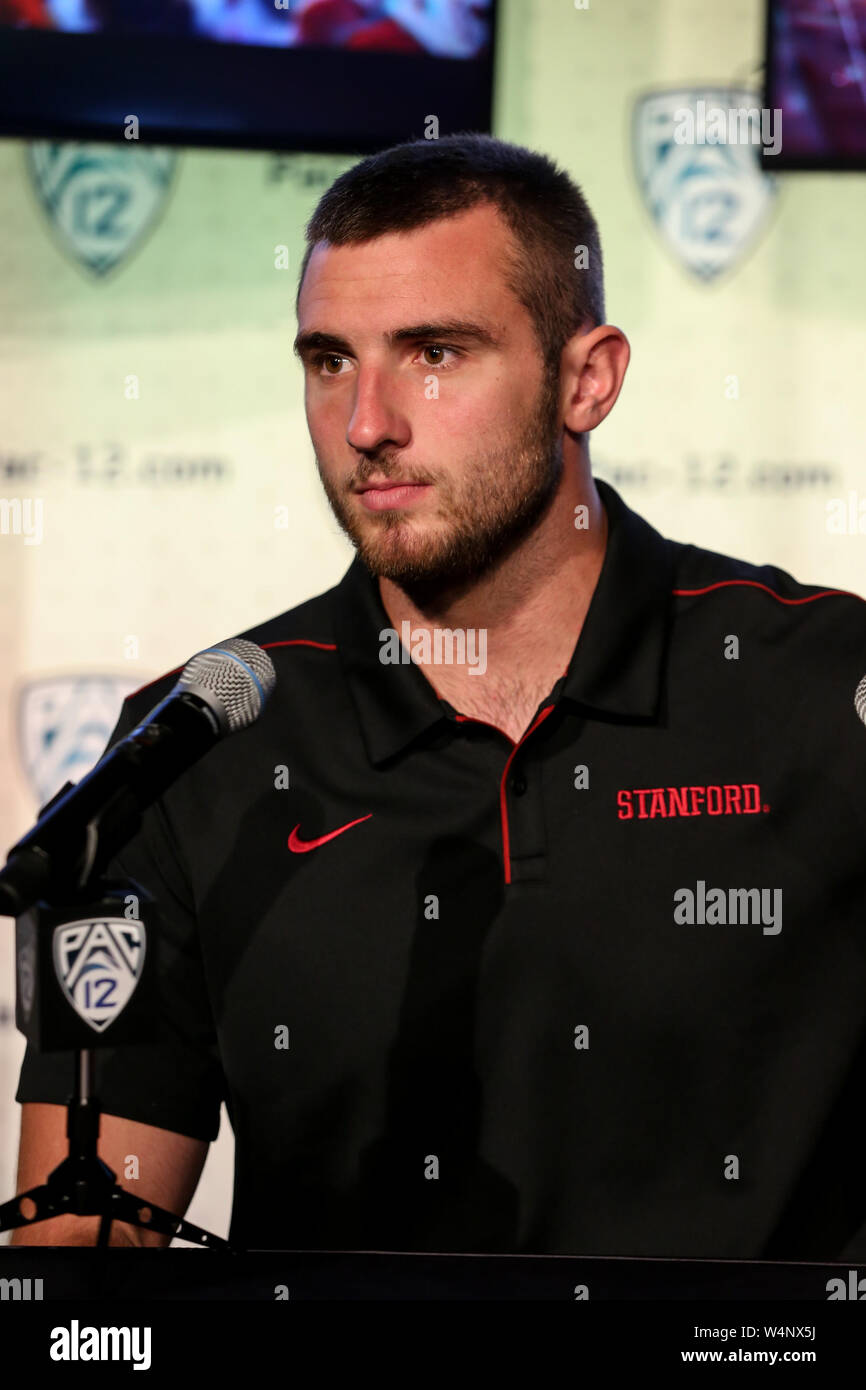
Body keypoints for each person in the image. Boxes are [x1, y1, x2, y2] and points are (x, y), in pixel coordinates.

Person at [13, 133, 866, 1257]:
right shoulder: (197, 747)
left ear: (586, 378)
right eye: (328, 359)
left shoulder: (822, 688)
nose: (367, 422)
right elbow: (82, 1265)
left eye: (434, 352)